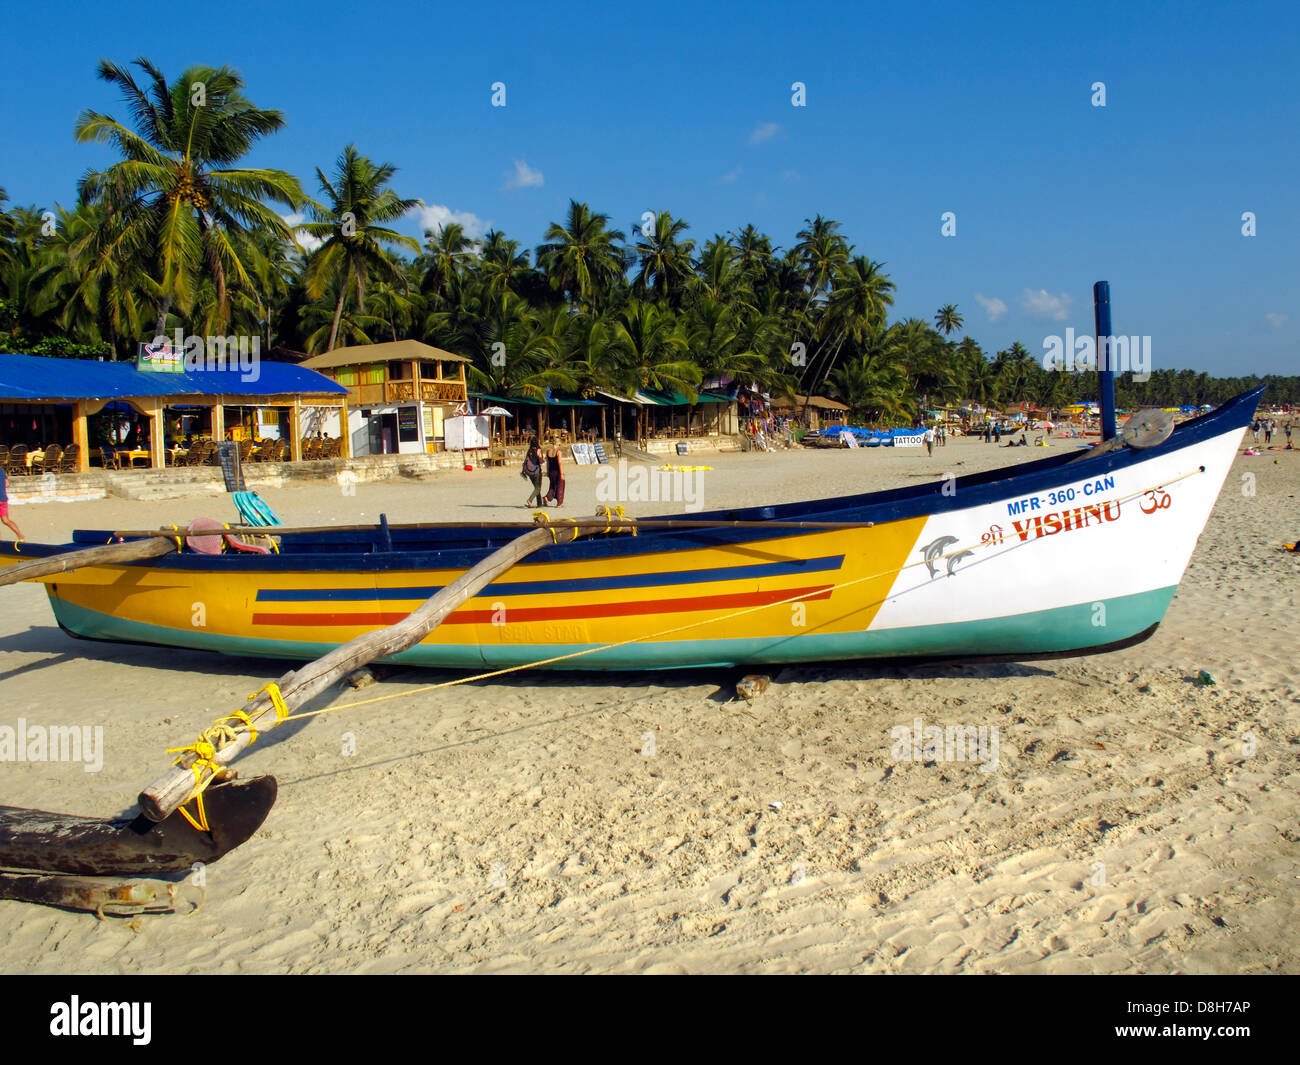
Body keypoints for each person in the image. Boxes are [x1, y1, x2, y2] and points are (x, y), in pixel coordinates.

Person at [0, 467, 23, 541]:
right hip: (3, 499)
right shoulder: (1, 470)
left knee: (5, 520)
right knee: (6, 520)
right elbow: (7, 484)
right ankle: (21, 537)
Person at [543, 438, 565, 507]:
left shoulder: (548, 451)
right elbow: (560, 463)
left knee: (552, 486)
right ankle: (559, 503)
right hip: (557, 471)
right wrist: (561, 474)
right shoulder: (558, 452)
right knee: (560, 486)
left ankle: (547, 498)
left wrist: (547, 472)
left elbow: (548, 463)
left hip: (551, 471)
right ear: (558, 444)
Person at [521, 436, 543, 507]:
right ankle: (530, 500)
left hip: (529, 472)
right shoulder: (538, 450)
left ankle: (539, 503)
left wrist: (523, 471)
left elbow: (525, 461)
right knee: (538, 488)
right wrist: (544, 460)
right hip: (536, 471)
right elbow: (540, 460)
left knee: (536, 487)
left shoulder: (529, 450)